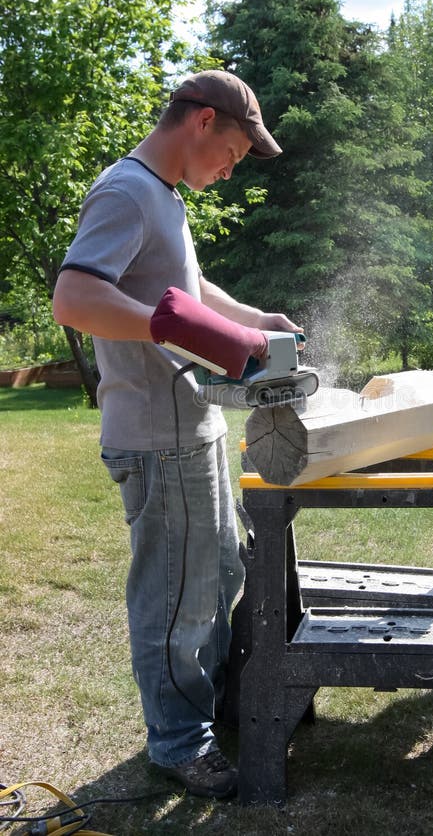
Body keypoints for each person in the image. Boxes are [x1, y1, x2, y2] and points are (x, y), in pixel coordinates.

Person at [53, 70, 301, 800]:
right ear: (199, 121)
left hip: (192, 425)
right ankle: (178, 744)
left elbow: (187, 293)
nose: (229, 169)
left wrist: (253, 319)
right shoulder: (126, 191)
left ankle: (206, 713)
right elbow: (75, 296)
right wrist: (173, 327)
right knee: (175, 600)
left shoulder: (160, 197)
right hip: (156, 435)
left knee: (218, 575)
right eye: (231, 150)